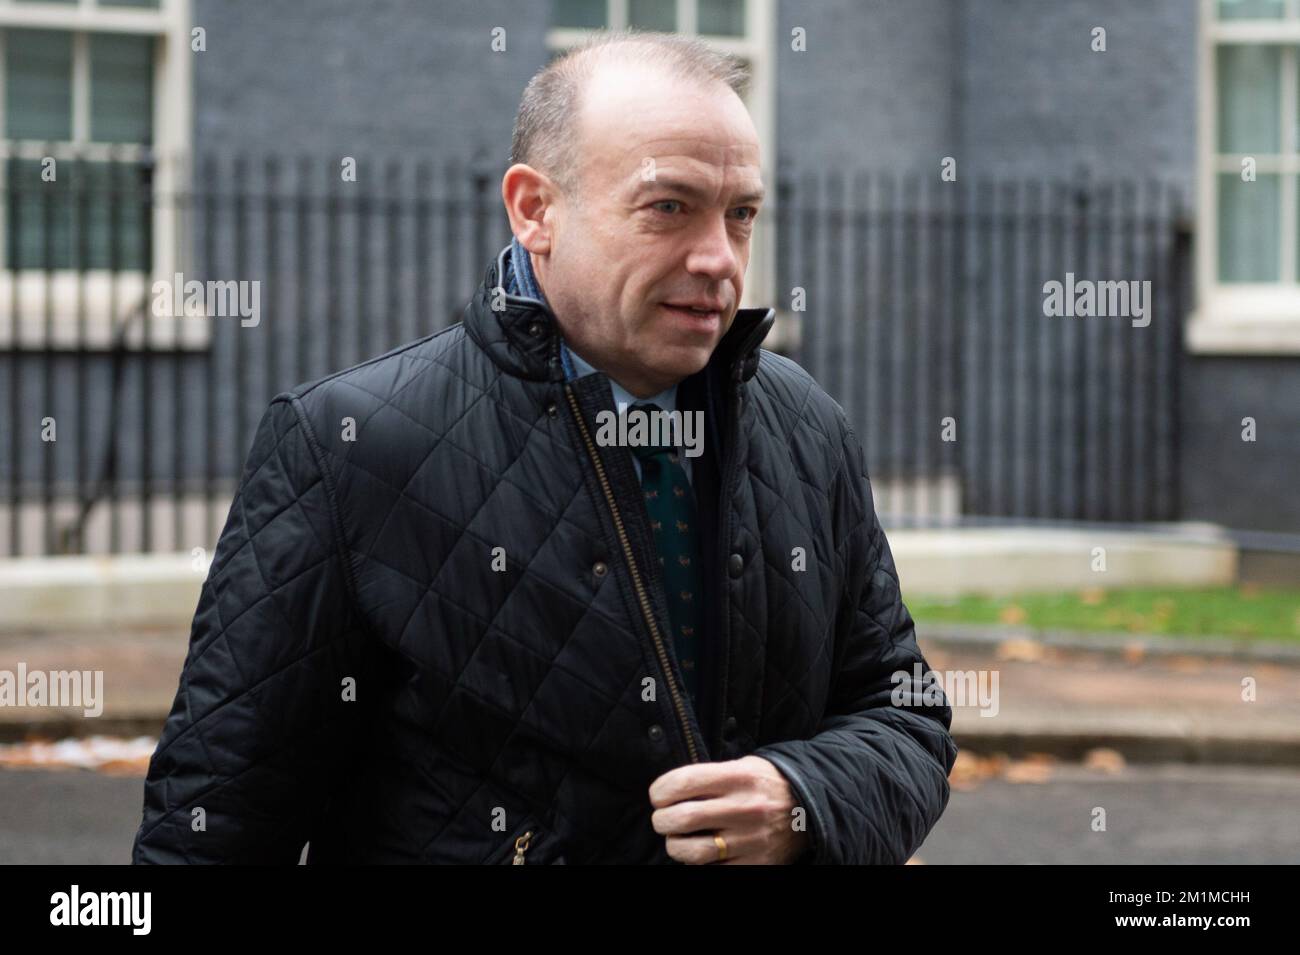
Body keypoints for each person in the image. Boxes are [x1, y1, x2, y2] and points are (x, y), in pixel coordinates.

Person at [131, 29, 957, 865]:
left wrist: (804, 799)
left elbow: (904, 713)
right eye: (668, 207)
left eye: (740, 214)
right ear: (534, 210)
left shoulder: (809, 425)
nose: (719, 257)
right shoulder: (348, 447)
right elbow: (213, 826)